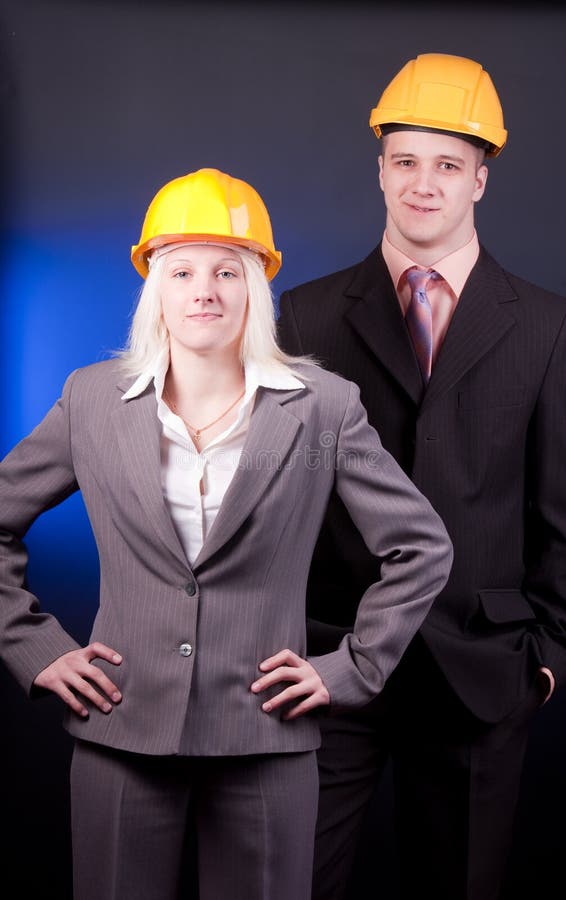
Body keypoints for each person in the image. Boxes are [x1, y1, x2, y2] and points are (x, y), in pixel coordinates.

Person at [0, 166, 452, 900]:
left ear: (256, 289)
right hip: (121, 731)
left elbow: (421, 548)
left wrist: (350, 670)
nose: (203, 290)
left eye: (227, 271)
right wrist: (33, 647)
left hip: (266, 741)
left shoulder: (323, 411)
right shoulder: (91, 401)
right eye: (182, 271)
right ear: (155, 287)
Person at [277, 52, 566, 900]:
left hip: (481, 670)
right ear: (380, 170)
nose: (423, 183)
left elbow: (560, 508)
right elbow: (277, 492)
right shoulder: (306, 313)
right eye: (405, 161)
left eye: (448, 165)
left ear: (481, 179)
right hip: (328, 664)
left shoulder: (549, 327)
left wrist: (546, 658)